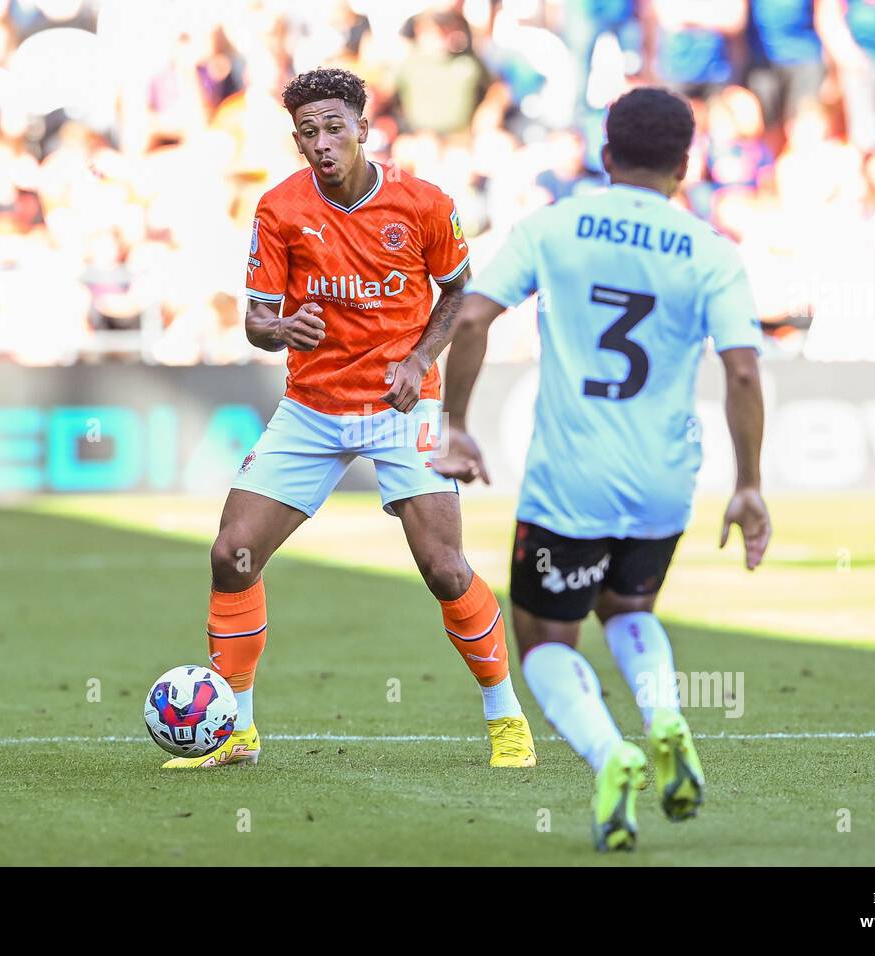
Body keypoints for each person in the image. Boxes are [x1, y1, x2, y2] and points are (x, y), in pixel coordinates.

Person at [162, 67, 537, 770]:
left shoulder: (424, 204)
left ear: (364, 128)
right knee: (231, 554)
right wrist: (283, 329)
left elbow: (460, 292)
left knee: (444, 570)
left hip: (403, 404)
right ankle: (237, 729)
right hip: (313, 408)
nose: (323, 142)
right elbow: (255, 320)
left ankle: (505, 715)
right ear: (297, 141)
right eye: (309, 132)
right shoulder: (278, 209)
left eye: (335, 126)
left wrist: (420, 356)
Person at [433, 88, 771, 850]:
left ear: (605, 154)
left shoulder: (552, 226)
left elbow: (476, 316)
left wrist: (455, 425)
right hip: (665, 479)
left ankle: (610, 752)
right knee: (629, 610)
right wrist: (749, 484)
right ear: (686, 166)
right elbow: (744, 373)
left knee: (548, 642)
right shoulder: (712, 249)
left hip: (571, 477)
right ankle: (665, 718)